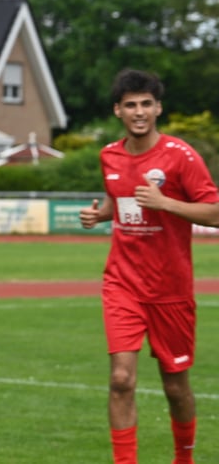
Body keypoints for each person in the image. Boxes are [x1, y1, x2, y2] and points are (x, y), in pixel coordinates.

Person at [79, 68, 219, 464]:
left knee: (176, 388)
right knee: (121, 380)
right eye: (130, 105)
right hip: (122, 283)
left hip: (171, 291)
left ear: (158, 108)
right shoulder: (109, 154)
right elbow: (120, 199)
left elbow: (214, 211)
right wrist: (99, 215)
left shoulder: (181, 156)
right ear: (117, 111)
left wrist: (167, 204)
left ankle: (184, 458)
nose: (138, 111)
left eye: (145, 104)